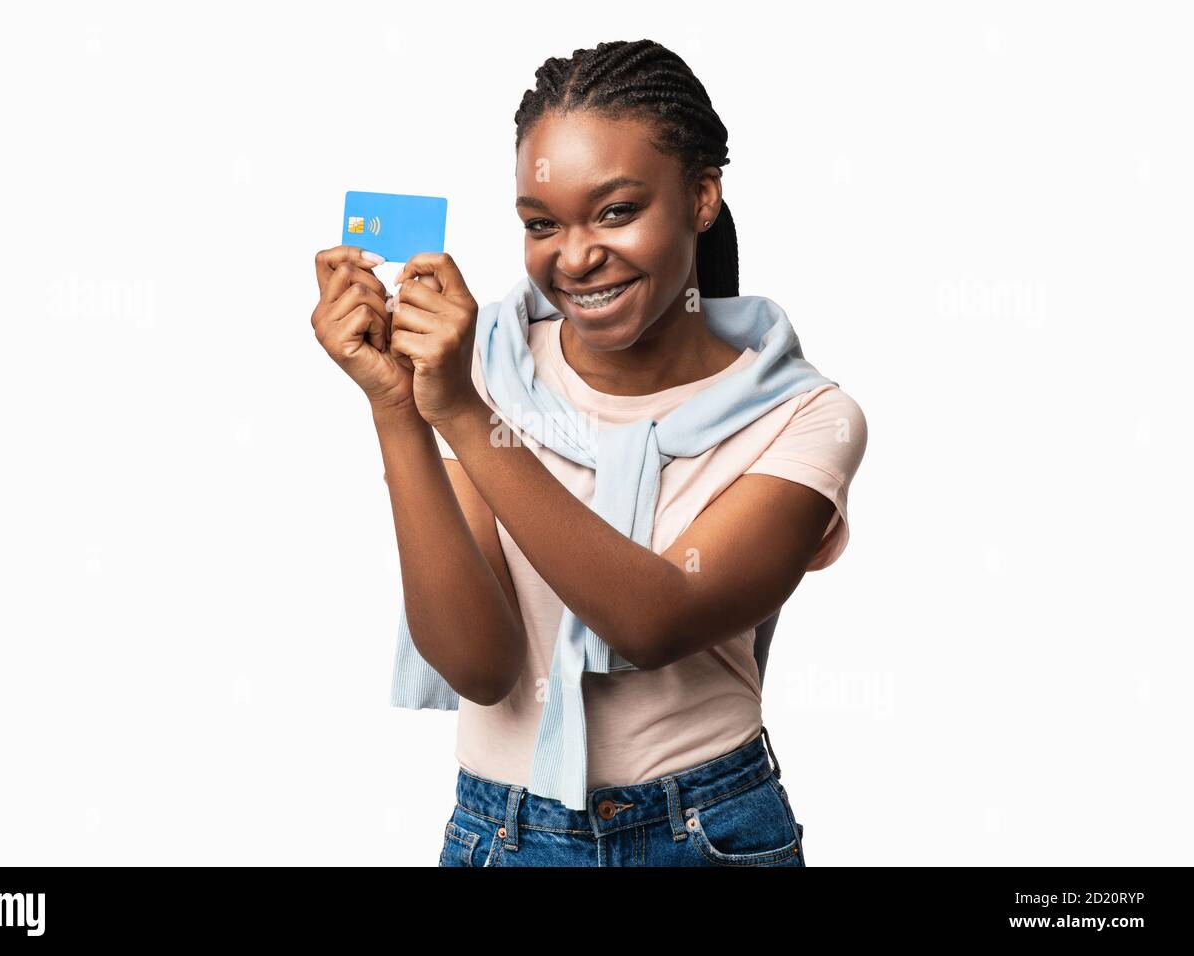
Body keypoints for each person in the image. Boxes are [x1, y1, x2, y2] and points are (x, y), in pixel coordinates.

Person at [310, 39, 868, 866]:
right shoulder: (493, 361)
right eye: (542, 224)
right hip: (500, 830)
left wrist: (462, 415)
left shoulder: (804, 415)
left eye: (615, 211)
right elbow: (480, 666)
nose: (573, 258)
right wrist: (399, 410)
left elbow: (654, 617)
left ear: (703, 195)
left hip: (707, 830)